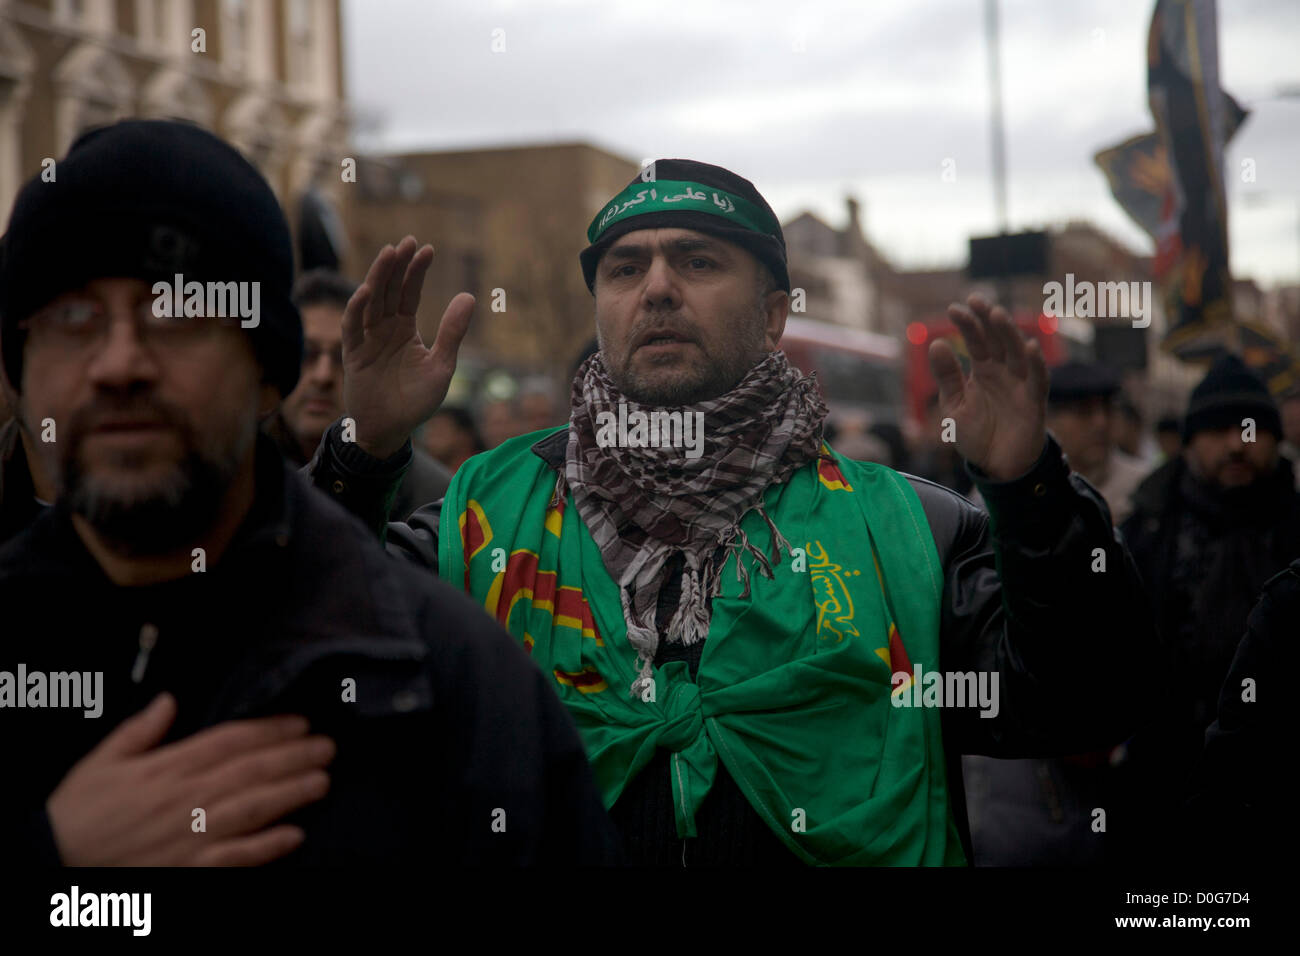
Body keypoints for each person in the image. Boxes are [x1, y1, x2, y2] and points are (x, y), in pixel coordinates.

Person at [308, 158, 1162, 866]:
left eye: (700, 261)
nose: (658, 289)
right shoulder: (484, 519)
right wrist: (360, 453)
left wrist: (1031, 492)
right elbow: (318, 686)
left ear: (775, 312)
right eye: (624, 268)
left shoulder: (912, 531)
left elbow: (1086, 700)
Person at [0, 119, 617, 866]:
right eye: (73, 318)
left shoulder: (449, 681)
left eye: (178, 312)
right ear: (22, 369)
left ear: (267, 368)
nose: (121, 362)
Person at [1116, 353, 1300, 861]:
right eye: (1219, 430)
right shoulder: (1149, 530)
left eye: (1251, 429)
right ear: (1191, 439)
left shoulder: (1293, 528)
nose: (1237, 444)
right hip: (1162, 774)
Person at [264, 269, 450, 520]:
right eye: (307, 353)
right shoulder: (235, 473)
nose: (323, 376)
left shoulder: (437, 501)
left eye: (343, 357)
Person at [1042, 361, 1147, 525]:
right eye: (1083, 411)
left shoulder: (1144, 487)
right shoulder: (1031, 493)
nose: (1101, 423)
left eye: (1108, 409)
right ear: (1049, 421)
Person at [420, 405, 484, 474]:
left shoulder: (478, 472)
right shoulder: (430, 470)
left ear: (464, 436)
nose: (430, 439)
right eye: (429, 431)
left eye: (439, 432)